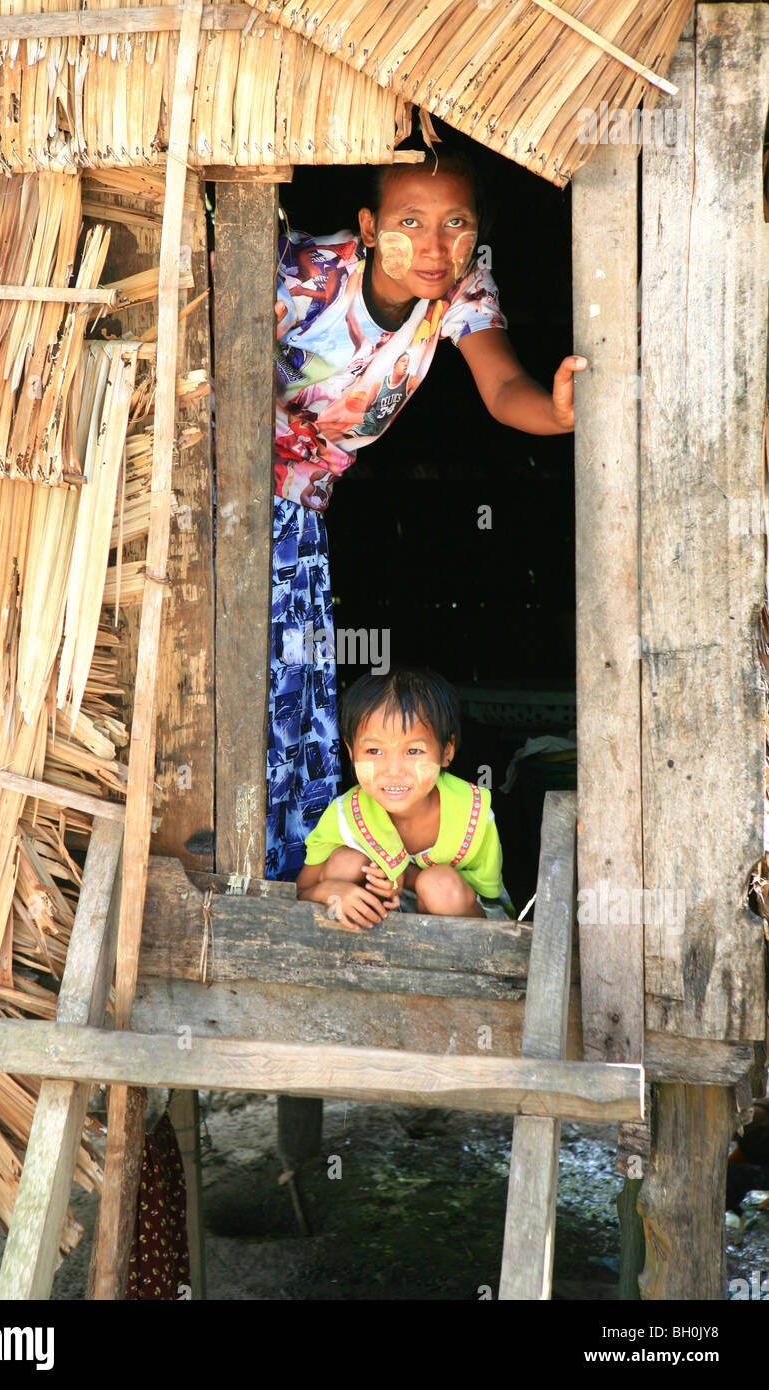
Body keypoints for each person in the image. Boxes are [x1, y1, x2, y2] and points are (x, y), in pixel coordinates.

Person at [267, 150, 586, 882]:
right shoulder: (299, 273)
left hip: (300, 514)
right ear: (370, 228)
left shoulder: (461, 292)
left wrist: (559, 413)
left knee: (294, 694)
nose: (436, 246)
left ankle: (296, 872)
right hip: (229, 501)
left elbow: (504, 387)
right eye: (411, 222)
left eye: (456, 224)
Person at [296, 668, 508, 928]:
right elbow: (299, 892)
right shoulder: (344, 816)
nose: (393, 770)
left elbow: (489, 903)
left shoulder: (471, 814)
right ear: (351, 752)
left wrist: (403, 877)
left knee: (438, 883)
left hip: (455, 933)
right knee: (345, 862)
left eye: (413, 751)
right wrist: (330, 893)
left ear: (446, 751)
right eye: (374, 750)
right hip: (372, 925)